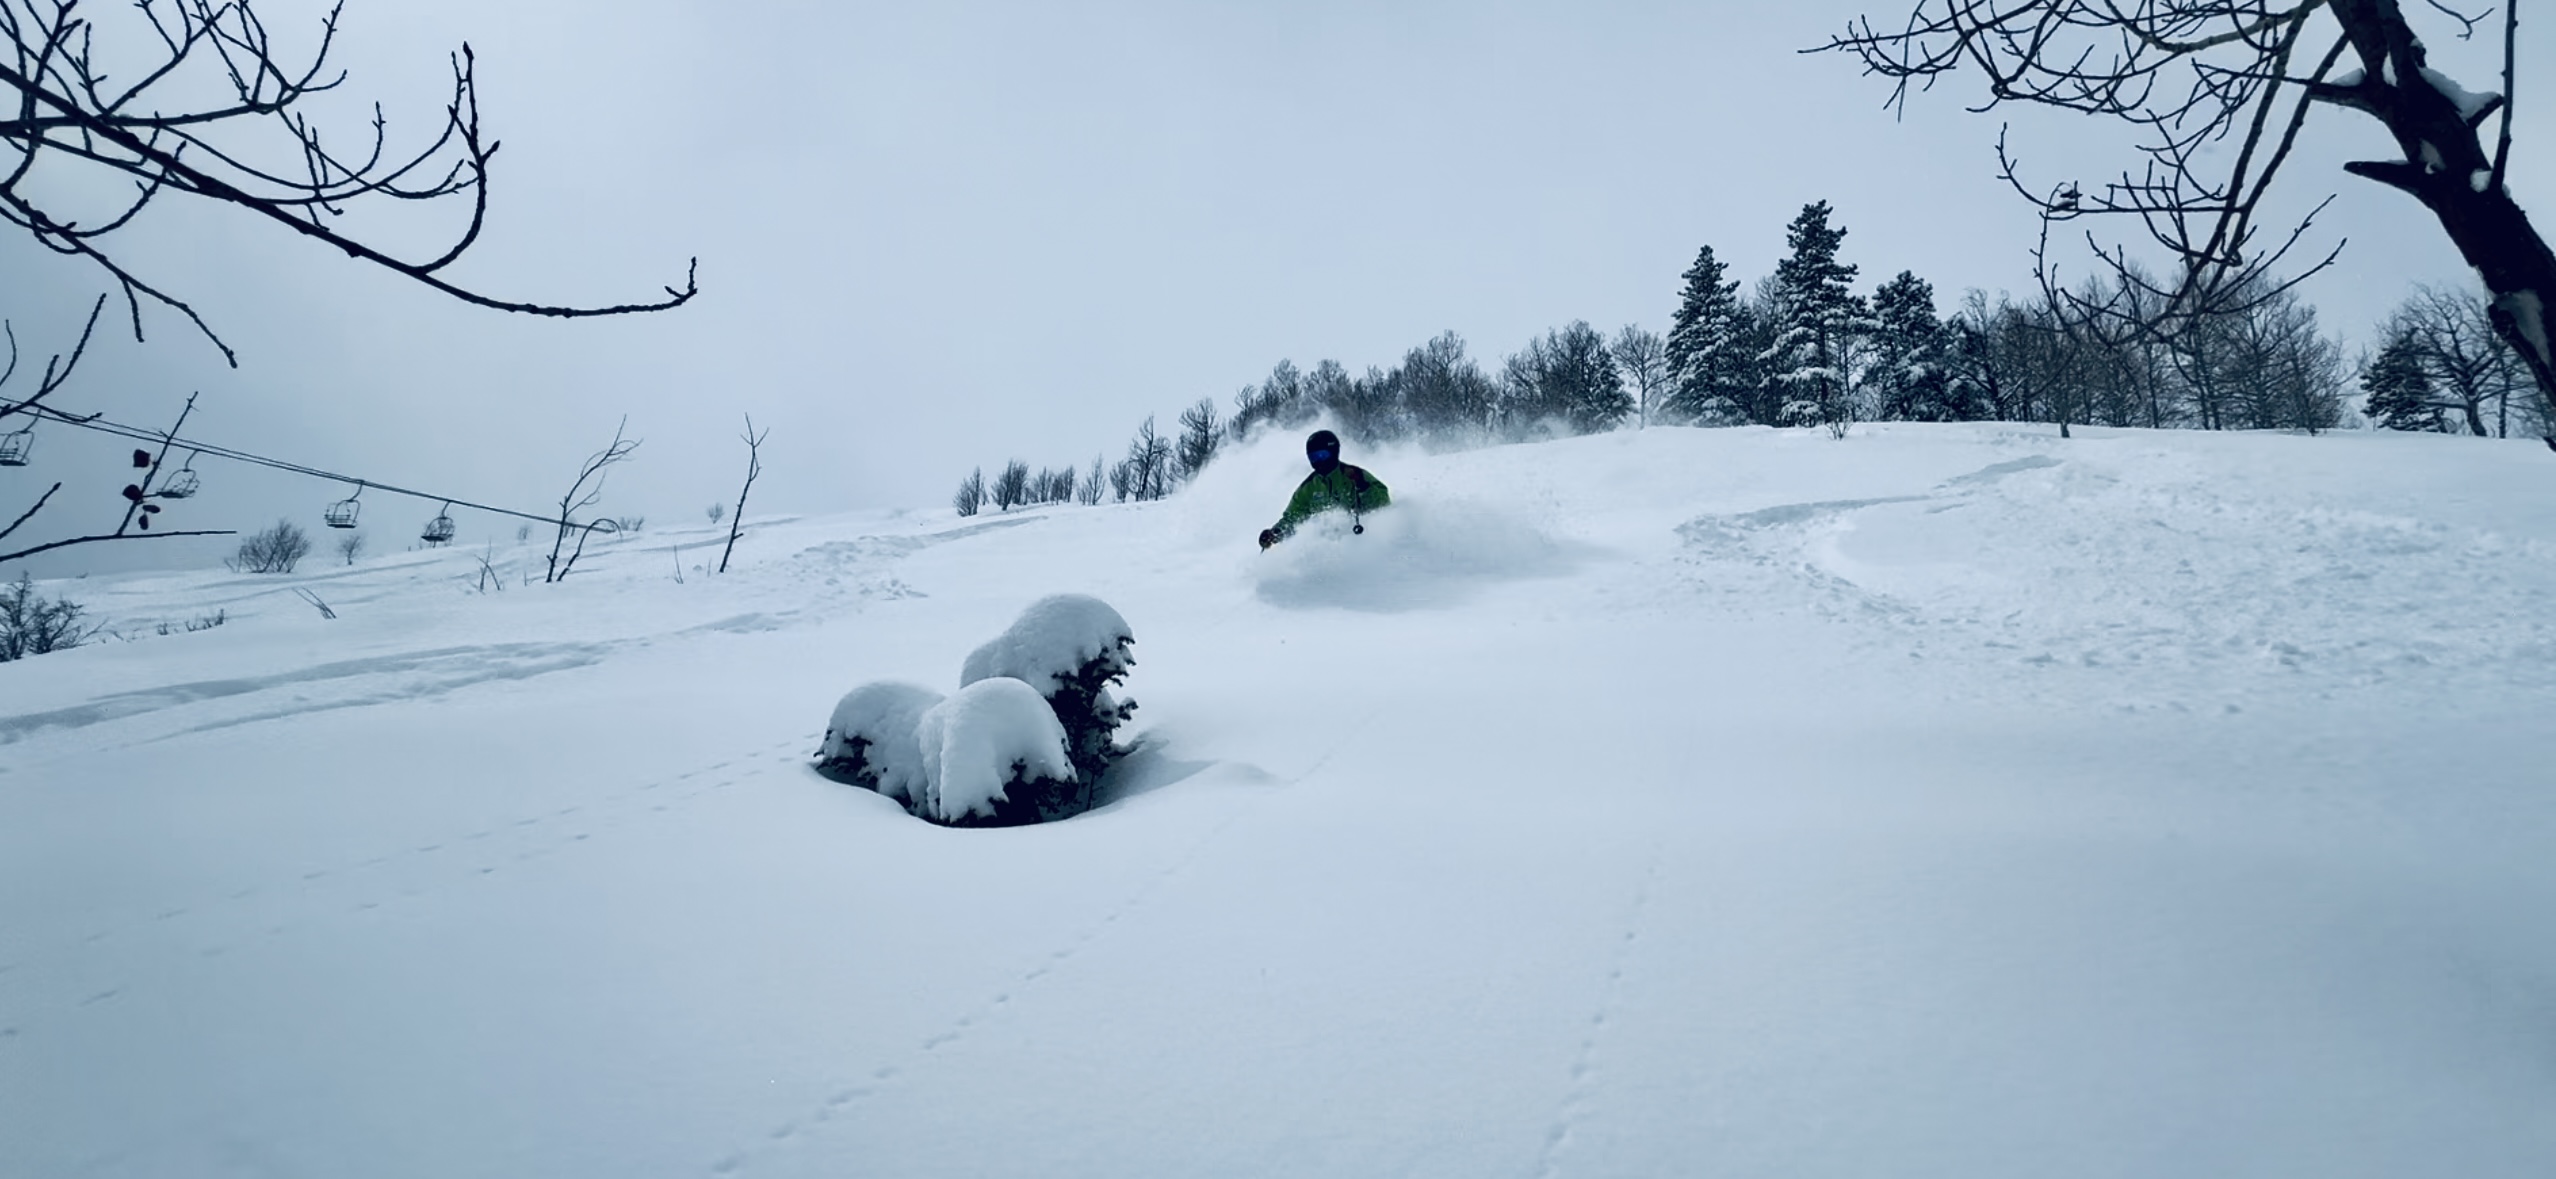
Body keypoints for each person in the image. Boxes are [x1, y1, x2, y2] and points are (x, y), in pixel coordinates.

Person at [1259, 429, 1389, 549]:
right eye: (1313, 458)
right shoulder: (1309, 487)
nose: (1319, 462)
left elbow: (1383, 502)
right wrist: (1275, 534)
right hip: (1329, 548)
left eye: (1322, 455)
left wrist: (1362, 485)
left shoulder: (1353, 474)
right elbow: (1293, 518)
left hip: (1363, 541)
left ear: (1334, 452)